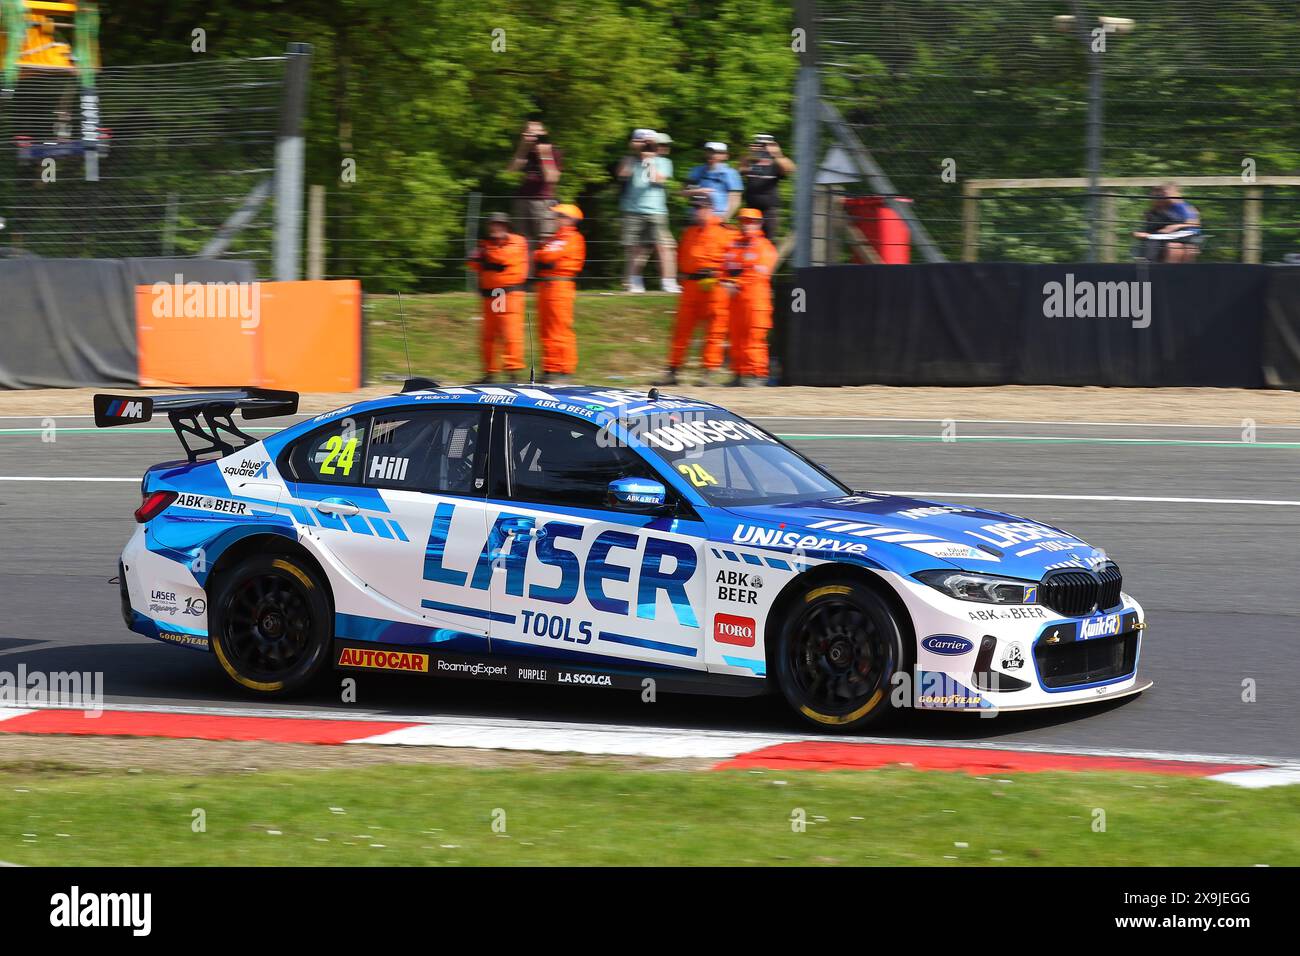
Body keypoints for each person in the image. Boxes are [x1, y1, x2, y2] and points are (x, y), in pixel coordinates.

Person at [655, 195, 735, 386]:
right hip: (691, 285)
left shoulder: (726, 232)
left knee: (715, 329)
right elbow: (682, 258)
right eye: (695, 207)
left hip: (715, 284)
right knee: (681, 329)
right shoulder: (690, 232)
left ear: (710, 208)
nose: (697, 211)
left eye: (701, 207)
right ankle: (673, 370)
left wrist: (727, 280)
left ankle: (709, 371)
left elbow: (734, 260)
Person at [468, 212, 529, 383]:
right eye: (492, 225)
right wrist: (487, 259)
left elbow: (503, 258)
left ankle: (513, 374)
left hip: (506, 294)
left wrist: (486, 256)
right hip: (493, 295)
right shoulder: (487, 244)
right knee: (489, 336)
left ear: (506, 227)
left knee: (510, 334)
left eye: (499, 225)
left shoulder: (517, 241)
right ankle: (489, 374)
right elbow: (472, 262)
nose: (495, 228)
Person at [618, 128, 679, 293]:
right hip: (632, 210)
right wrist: (636, 154)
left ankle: (668, 282)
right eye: (643, 143)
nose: (647, 146)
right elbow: (623, 174)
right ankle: (634, 281)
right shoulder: (628, 160)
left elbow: (657, 180)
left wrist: (650, 160)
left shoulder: (664, 162)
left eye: (651, 143)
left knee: (664, 246)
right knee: (634, 248)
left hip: (656, 210)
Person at [723, 208, 779, 386]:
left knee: (754, 338)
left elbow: (759, 273)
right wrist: (727, 280)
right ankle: (739, 374)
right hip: (736, 299)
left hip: (756, 300)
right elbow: (725, 267)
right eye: (744, 221)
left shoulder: (764, 247)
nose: (746, 225)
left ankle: (757, 374)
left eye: (751, 221)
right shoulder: (734, 245)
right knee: (736, 337)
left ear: (759, 224)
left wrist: (735, 282)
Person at [533, 203, 586, 383]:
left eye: (559, 216)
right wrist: (543, 255)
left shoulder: (572, 238)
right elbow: (540, 255)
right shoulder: (555, 238)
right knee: (546, 330)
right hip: (547, 286)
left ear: (569, 219)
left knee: (560, 329)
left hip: (560, 287)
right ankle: (549, 369)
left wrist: (543, 255)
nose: (555, 219)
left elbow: (546, 256)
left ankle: (564, 370)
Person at [506, 119, 562, 248]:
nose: (534, 137)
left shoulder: (553, 151)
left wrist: (544, 154)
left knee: (545, 242)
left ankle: (543, 268)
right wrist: (522, 148)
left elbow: (552, 178)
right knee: (522, 243)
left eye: (537, 134)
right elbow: (511, 171)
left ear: (544, 134)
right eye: (529, 133)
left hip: (543, 201)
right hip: (522, 200)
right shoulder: (525, 152)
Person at [738, 134, 795, 240]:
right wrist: (750, 153)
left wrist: (777, 154)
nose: (762, 148)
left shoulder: (776, 162)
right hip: (751, 207)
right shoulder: (751, 160)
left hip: (769, 209)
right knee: (747, 238)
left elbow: (790, 169)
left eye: (765, 145)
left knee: (767, 240)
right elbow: (740, 170)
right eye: (760, 145)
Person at [1133, 184, 1202, 262]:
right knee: (1173, 247)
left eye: (1165, 194)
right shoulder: (1156, 212)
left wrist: (1176, 226)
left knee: (1179, 248)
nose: (1165, 196)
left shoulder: (1184, 207)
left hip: (1187, 235)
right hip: (1167, 238)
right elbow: (1149, 227)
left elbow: (1194, 224)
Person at [683, 142, 743, 222]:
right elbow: (683, 192)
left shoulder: (731, 173)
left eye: (716, 152)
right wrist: (696, 191)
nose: (711, 155)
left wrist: (724, 219)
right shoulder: (697, 170)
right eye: (709, 152)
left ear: (726, 155)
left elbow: (735, 201)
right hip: (695, 215)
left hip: (717, 217)